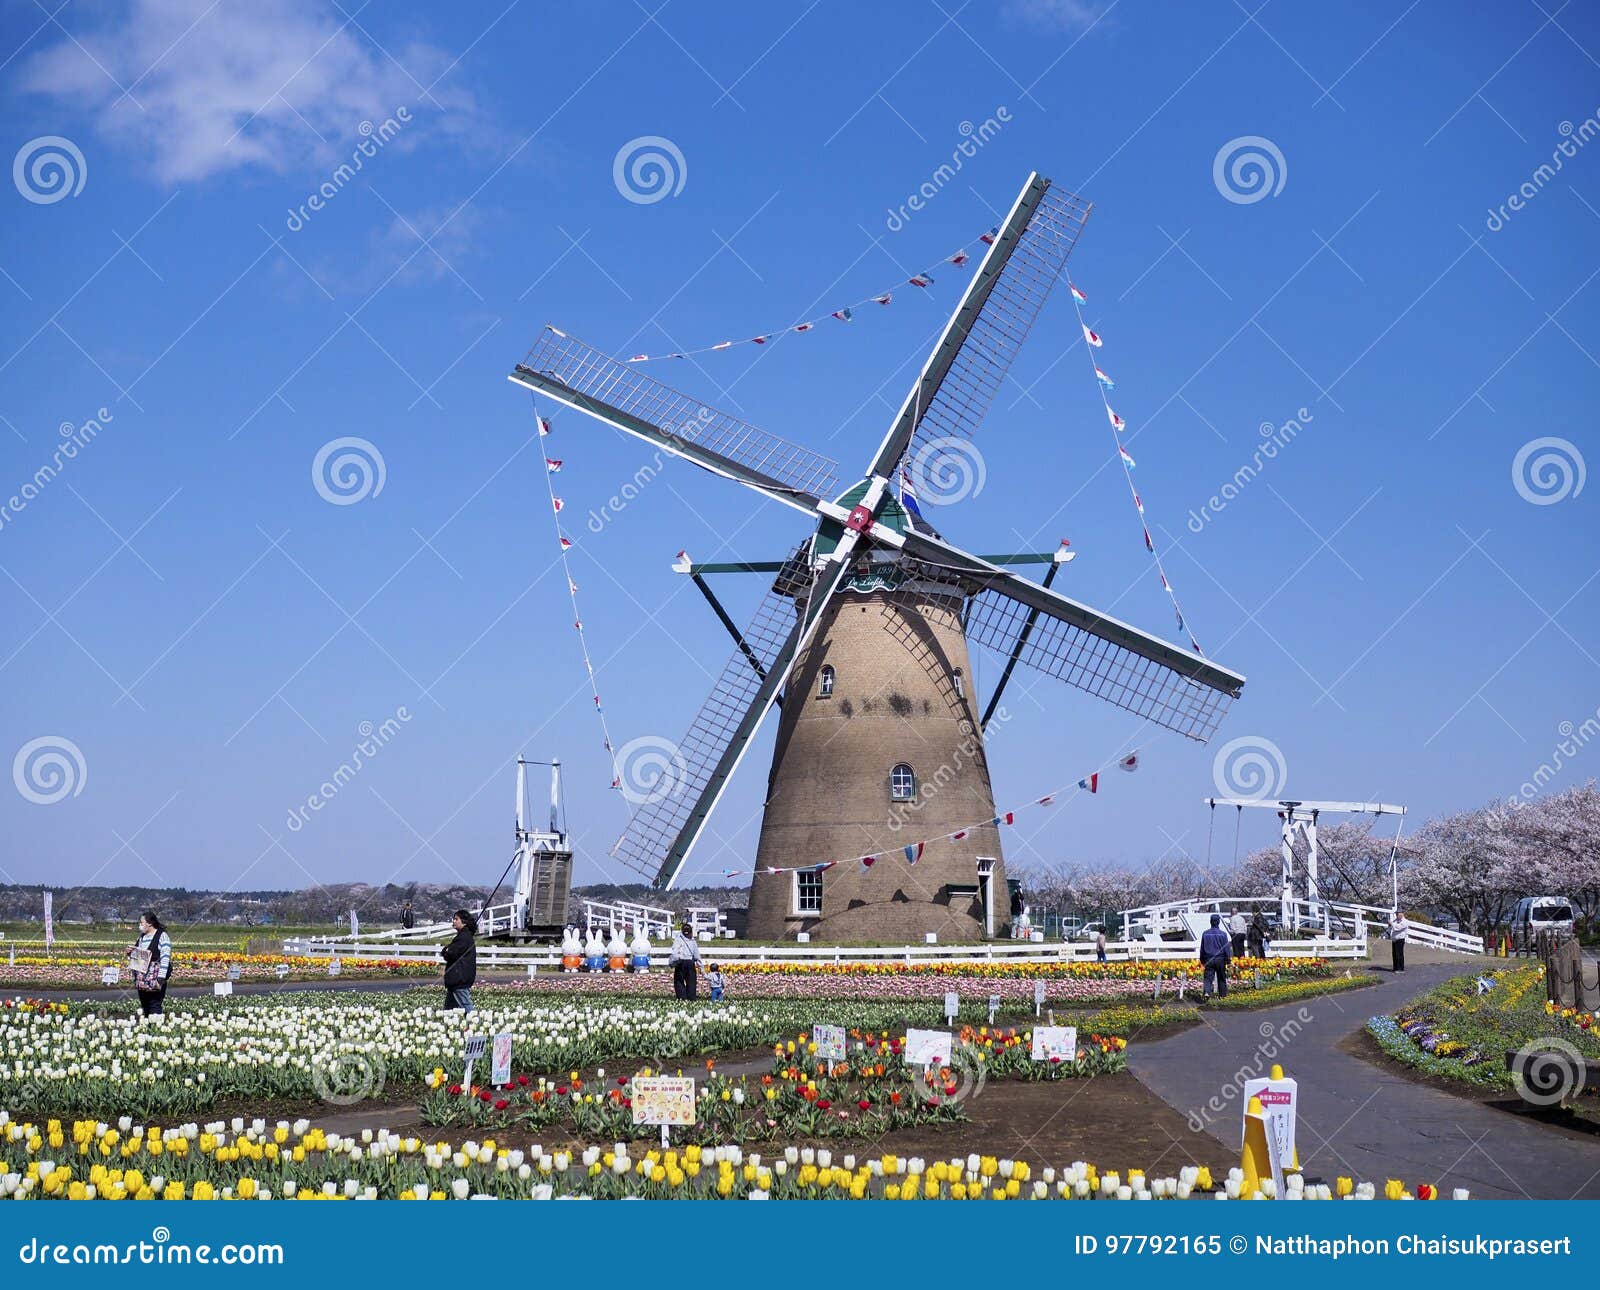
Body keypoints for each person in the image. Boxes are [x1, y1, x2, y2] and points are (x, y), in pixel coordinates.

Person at [129, 911, 173, 1017]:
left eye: (141, 922)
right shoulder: (142, 937)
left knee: (155, 1005)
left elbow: (165, 958)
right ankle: (149, 1030)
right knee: (145, 1006)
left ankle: (155, 1030)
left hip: (155, 978)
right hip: (142, 978)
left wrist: (160, 979)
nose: (140, 925)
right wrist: (130, 952)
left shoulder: (162, 936)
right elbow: (138, 956)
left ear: (149, 923)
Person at [441, 910, 478, 1011]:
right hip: (457, 977)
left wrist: (446, 950)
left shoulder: (463, 937)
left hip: (459, 977)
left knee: (466, 1006)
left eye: (456, 919)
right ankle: (448, 1024)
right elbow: (447, 951)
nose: (454, 921)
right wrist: (446, 950)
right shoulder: (464, 936)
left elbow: (450, 953)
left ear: (464, 922)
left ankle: (475, 1023)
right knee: (449, 1009)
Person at [1199, 913, 1232, 999]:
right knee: (1221, 977)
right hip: (1220, 959)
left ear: (1210, 922)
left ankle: (1206, 992)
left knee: (1208, 978)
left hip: (1208, 958)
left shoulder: (1205, 934)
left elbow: (1202, 948)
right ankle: (1222, 995)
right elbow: (1226, 948)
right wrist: (1228, 959)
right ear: (1218, 922)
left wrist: (1202, 960)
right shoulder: (1223, 934)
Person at [669, 922, 701, 1001]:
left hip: (680, 962)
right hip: (690, 962)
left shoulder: (678, 939)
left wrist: (672, 963)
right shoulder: (692, 941)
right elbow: (696, 954)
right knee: (691, 982)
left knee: (679, 981)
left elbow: (674, 951)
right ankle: (691, 998)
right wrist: (701, 966)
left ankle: (681, 998)